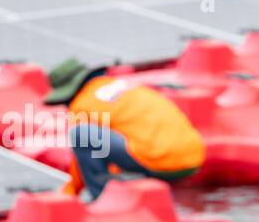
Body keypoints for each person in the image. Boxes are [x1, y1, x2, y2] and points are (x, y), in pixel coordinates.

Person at [44, 58, 205, 199]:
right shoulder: (125, 86)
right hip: (193, 156)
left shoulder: (82, 104)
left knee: (81, 134)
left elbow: (83, 158)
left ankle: (101, 198)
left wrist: (70, 192)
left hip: (160, 160)